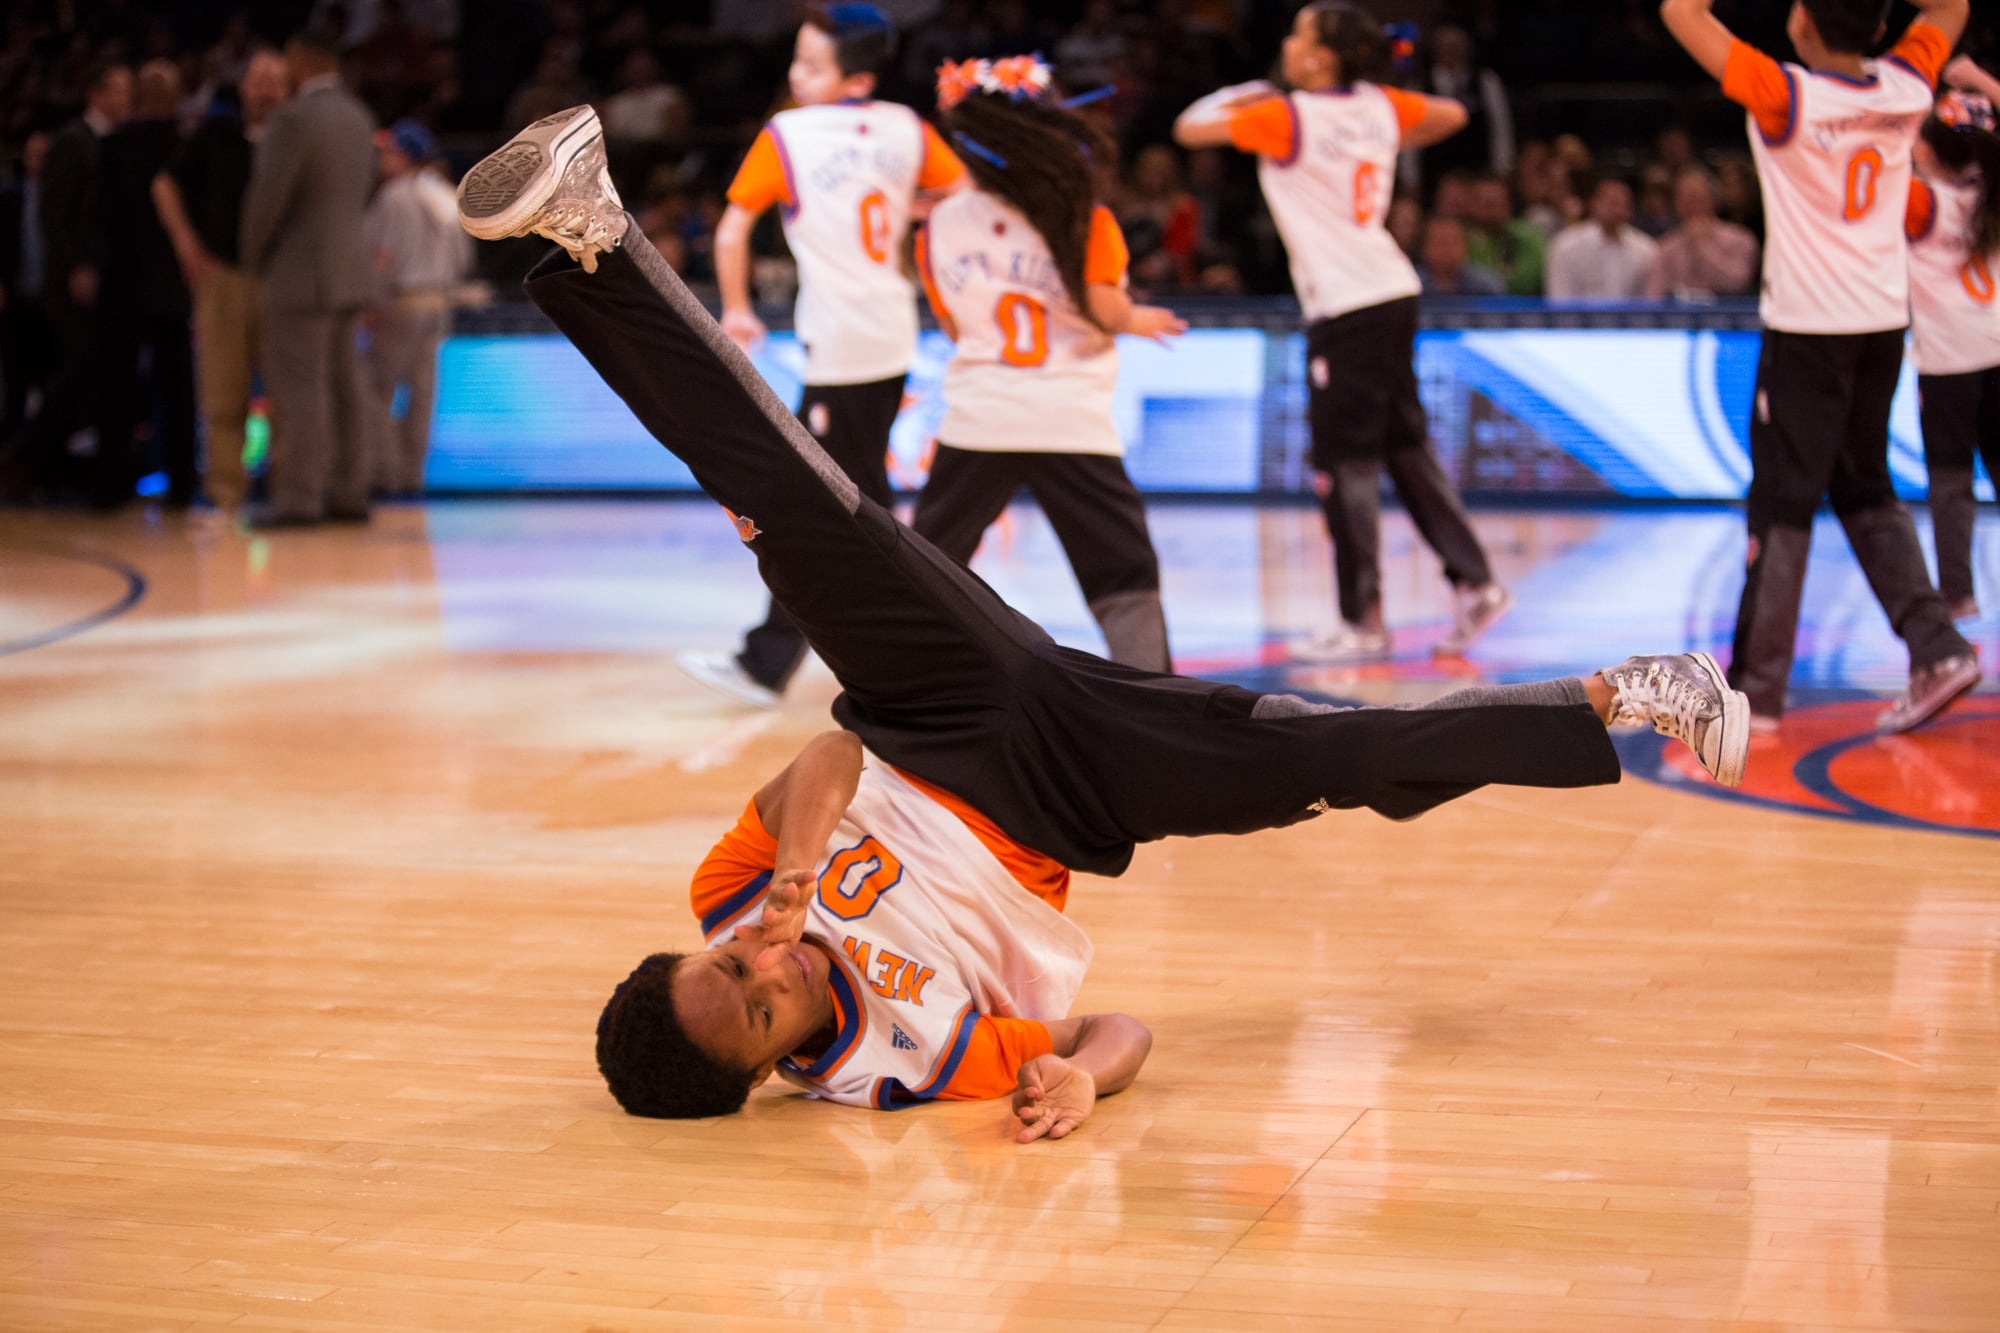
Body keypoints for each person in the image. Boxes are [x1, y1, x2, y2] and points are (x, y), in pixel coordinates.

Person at [455, 105, 1752, 1135]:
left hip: (934, 709)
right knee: (1349, 755)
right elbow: (1109, 1030)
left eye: (725, 964)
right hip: (1076, 783)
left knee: (787, 499)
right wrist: (1089, 1084)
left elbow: (833, 757)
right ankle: (1636, 691)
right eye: (751, 1010)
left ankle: (590, 229)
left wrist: (793, 878)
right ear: (764, 1076)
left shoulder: (730, 893)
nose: (761, 969)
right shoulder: (899, 1070)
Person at [1661, 0, 1980, 733]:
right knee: (1863, 487)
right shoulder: (1906, 83)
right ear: (1875, 26)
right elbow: (1952, 6)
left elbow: (1679, 12)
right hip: (1880, 326)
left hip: (1809, 330)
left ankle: (1754, 696)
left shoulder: (1785, 93)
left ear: (1801, 22)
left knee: (1781, 504)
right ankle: (1937, 646)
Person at [1173, 2, 1512, 664]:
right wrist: (1375, 132)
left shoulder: (1286, 115)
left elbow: (1190, 129)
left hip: (1347, 305)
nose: (1289, 42)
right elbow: (1454, 115)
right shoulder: (1380, 106)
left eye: (1299, 34)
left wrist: (1255, 90)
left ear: (1322, 55)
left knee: (1343, 466)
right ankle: (1474, 580)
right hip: (1390, 290)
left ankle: (1363, 619)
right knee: (1403, 447)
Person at [674, 4, 966, 708]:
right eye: (796, 61)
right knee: (848, 503)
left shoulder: (790, 133)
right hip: (892, 331)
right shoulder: (906, 126)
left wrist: (738, 307)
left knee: (824, 507)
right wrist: (903, 207)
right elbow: (958, 197)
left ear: (855, 77)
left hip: (840, 342)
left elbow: (733, 228)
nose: (795, 75)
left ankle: (799, 659)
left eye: (810, 65)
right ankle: (794, 658)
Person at [910, 57, 1185, 672]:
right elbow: (1109, 309)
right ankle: (1158, 700)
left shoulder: (937, 227)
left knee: (927, 561)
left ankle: (903, 681)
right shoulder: (1086, 219)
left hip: (980, 419)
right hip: (1071, 421)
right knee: (1124, 575)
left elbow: (956, 326)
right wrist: (1137, 319)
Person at [239, 26, 378, 527]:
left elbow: (268, 201)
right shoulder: (358, 117)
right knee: (346, 387)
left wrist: (251, 258)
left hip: (300, 273)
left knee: (300, 389)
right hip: (349, 270)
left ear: (299, 59)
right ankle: (350, 492)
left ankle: (299, 498)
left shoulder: (294, 119)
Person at [154, 48, 291, 517]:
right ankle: (225, 494)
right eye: (259, 80)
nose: (267, 90)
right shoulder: (216, 133)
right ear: (243, 87)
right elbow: (165, 185)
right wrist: (187, 246)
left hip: (283, 282)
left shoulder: (295, 137)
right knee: (222, 394)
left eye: (276, 81)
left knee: (289, 395)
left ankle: (285, 492)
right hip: (226, 279)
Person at [1907, 58, 2000, 622]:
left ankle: (1959, 600)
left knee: (1950, 486)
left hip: (1947, 367)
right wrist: (1984, 84)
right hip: (1998, 357)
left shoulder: (1920, 204)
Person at [101, 60, 197, 508]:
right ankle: (182, 486)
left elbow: (101, 219)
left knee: (118, 389)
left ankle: (113, 485)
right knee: (178, 389)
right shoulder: (186, 143)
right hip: (176, 283)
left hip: (124, 283)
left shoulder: (114, 145)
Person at [361, 118, 471, 497]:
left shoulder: (394, 196)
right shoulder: (443, 194)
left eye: (388, 152)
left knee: (377, 390)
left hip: (401, 300)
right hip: (438, 300)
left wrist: (372, 301)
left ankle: (383, 474)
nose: (381, 160)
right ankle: (411, 476)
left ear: (404, 156)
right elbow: (462, 257)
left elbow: (382, 257)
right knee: (422, 392)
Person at [37, 61, 131, 505]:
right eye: (119, 90)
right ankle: (28, 455)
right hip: (76, 281)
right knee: (78, 371)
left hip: (107, 281)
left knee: (99, 375)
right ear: (96, 95)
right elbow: (54, 216)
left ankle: (61, 468)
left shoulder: (114, 144)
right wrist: (75, 267)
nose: (126, 100)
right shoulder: (72, 143)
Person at [0, 131, 53, 498]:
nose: (39, 161)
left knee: (50, 389)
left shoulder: (62, 198)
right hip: (15, 305)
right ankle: (10, 468)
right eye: (33, 154)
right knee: (14, 390)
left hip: (51, 308)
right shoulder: (9, 197)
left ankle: (40, 470)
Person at [1644, 166, 1760, 298]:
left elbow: (1739, 283)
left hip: (1728, 314)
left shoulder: (1741, 239)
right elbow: (1654, 295)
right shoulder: (1666, 247)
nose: (1692, 206)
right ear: (1676, 205)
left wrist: (1704, 247)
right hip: (1681, 316)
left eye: (1697, 199)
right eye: (1685, 200)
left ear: (1714, 200)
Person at [1545, 177, 1659, 299]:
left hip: (1629, 317)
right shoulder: (1565, 246)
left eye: (1624, 204)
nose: (1617, 210)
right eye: (1612, 203)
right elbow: (1559, 298)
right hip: (1579, 317)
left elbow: (1650, 300)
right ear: (1594, 203)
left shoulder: (1646, 249)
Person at [1462, 171, 1546, 295]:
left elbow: (1525, 282)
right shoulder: (1456, 238)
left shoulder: (1528, 237)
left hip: (1522, 309)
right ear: (1467, 204)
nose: (1489, 208)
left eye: (1496, 201)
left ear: (1508, 204)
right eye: (1482, 201)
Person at [1417, 214, 1505, 295]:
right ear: (1424, 248)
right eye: (1440, 242)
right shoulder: (1411, 285)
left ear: (1466, 246)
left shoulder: (1487, 284)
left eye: (1454, 242)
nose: (1447, 249)